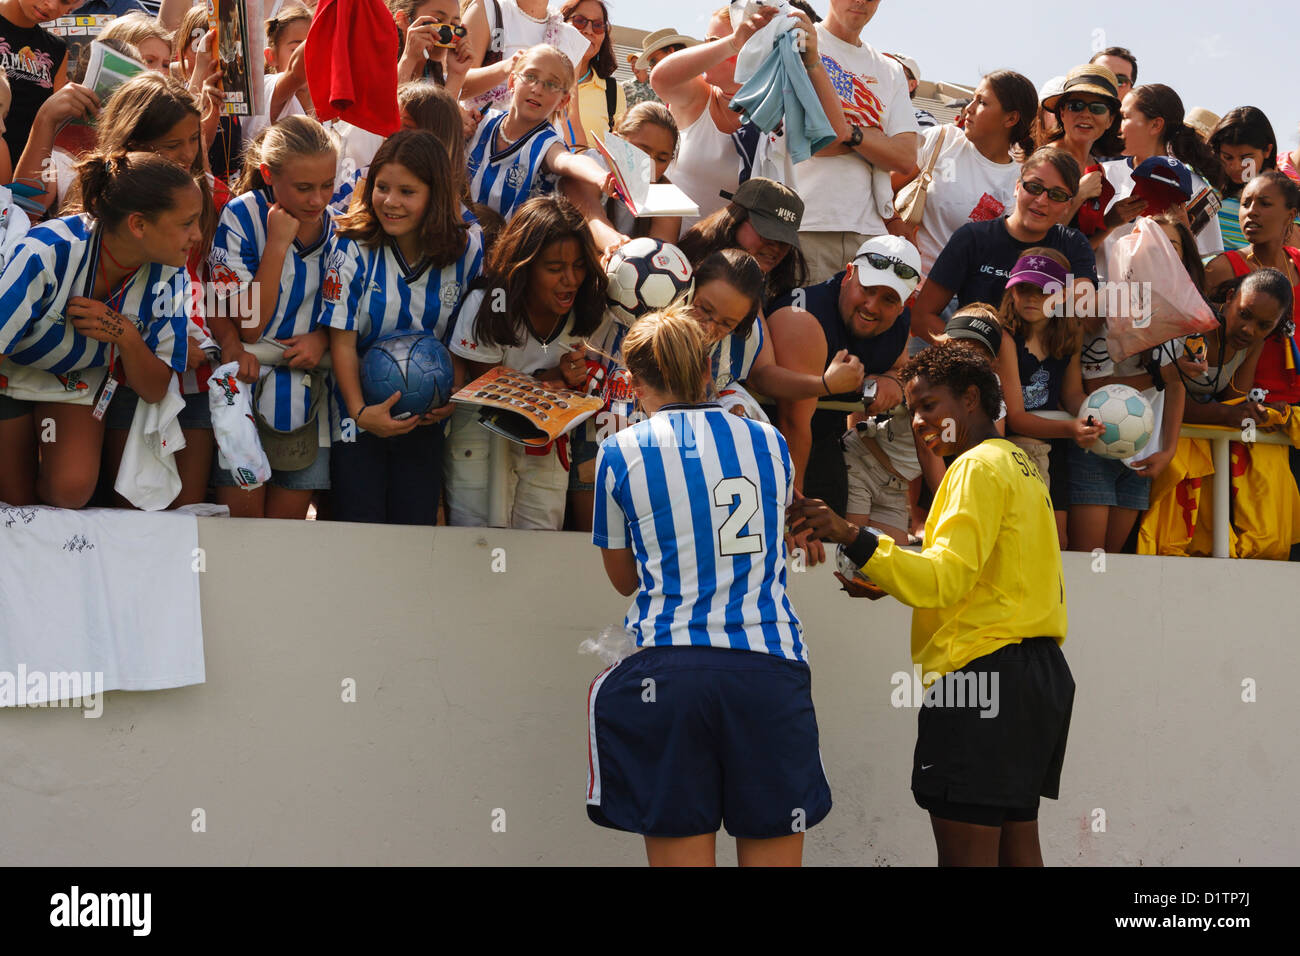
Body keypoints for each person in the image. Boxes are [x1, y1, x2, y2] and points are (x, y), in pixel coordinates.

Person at [789, 340, 1075, 867]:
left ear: (970, 399)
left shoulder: (973, 468)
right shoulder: (1020, 462)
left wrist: (853, 535)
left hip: (982, 677)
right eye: (913, 409)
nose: (918, 421)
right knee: (1019, 848)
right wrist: (888, 570)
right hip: (1041, 679)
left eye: (928, 406)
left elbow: (941, 580)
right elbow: (973, 576)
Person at [586, 307, 831, 867]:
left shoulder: (619, 450)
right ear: (706, 371)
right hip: (767, 665)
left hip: (668, 673)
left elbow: (625, 580)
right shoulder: (769, 442)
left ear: (636, 381)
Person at [0, 151, 199, 508]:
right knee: (14, 501)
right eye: (187, 223)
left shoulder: (172, 275)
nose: (197, 235)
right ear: (138, 225)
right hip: (5, 373)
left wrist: (126, 336)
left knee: (70, 490)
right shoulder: (48, 251)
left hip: (71, 378)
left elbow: (155, 389)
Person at [320, 130, 484, 525]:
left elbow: (463, 339)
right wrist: (361, 412)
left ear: (436, 195)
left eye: (407, 191)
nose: (390, 201)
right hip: (356, 418)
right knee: (360, 527)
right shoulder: (351, 246)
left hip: (425, 421)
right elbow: (341, 342)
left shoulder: (467, 251)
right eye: (382, 187)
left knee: (415, 528)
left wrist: (453, 393)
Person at [446, 194, 604, 529]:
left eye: (578, 266)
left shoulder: (585, 306)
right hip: (481, 443)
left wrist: (566, 380)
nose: (571, 280)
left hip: (544, 446)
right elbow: (487, 393)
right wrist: (551, 380)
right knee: (477, 553)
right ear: (524, 265)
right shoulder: (492, 303)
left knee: (536, 556)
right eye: (555, 268)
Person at [209, 115, 337, 519]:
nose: (318, 199)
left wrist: (322, 339)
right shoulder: (241, 217)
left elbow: (350, 315)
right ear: (267, 174)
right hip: (244, 391)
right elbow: (249, 323)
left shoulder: (340, 228)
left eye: (327, 185)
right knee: (244, 530)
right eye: (304, 188)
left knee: (286, 535)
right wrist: (278, 243)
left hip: (306, 398)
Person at [766, 235, 918, 511]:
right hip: (769, 439)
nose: (871, 305)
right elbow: (792, 424)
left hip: (823, 436)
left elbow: (900, 367)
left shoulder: (900, 323)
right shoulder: (803, 319)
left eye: (888, 298)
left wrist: (892, 382)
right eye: (867, 289)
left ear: (904, 305)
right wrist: (793, 512)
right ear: (849, 274)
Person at [911, 147, 1097, 344]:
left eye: (1057, 195)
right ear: (1017, 187)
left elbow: (1087, 320)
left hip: (1042, 369)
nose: (1042, 201)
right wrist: (978, 357)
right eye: (1034, 187)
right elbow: (922, 318)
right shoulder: (973, 238)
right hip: (976, 366)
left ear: (1069, 205)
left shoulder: (1073, 244)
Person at [791, 0, 918, 284]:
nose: (861, 1)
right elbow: (805, 140)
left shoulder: (890, 69)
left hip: (870, 234)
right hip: (806, 221)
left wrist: (849, 133)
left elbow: (906, 158)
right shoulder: (800, 41)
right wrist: (874, 139)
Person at [992, 249, 1102, 545]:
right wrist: (1072, 428)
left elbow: (1072, 393)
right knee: (1022, 538)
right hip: (1013, 449)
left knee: (1058, 540)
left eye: (1043, 291)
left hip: (1053, 450)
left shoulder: (1070, 333)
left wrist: (1094, 416)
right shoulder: (1004, 337)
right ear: (1011, 290)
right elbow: (1015, 417)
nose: (1032, 298)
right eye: (1024, 289)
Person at [891, 70, 1037, 278]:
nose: (968, 108)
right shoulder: (942, 139)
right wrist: (895, 224)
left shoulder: (1019, 182)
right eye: (973, 99)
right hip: (896, 279)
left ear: (1011, 118)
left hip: (955, 302)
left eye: (982, 102)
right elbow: (883, 190)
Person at [463, 44, 612, 224]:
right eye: (530, 76)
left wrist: (600, 177)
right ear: (512, 82)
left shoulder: (547, 143)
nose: (537, 89)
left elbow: (568, 161)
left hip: (502, 248)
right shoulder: (480, 121)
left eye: (551, 84)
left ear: (563, 101)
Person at [1098, 84, 1228, 269]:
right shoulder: (1103, 173)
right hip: (1102, 295)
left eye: (1125, 117)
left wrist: (1184, 234)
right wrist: (1109, 223)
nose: (1115, 126)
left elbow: (1206, 269)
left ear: (1155, 125)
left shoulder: (1196, 189)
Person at [677, 175, 809, 305]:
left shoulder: (777, 287)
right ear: (735, 221)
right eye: (767, 233)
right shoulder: (686, 273)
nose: (775, 246)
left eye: (784, 239)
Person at [1038, 64, 1126, 244]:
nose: (1085, 114)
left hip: (1072, 272)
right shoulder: (1045, 160)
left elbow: (1081, 246)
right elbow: (1037, 236)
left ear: (1110, 120)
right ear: (1062, 113)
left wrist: (1112, 221)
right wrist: (1079, 195)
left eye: (1097, 108)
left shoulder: (1095, 166)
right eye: (1076, 106)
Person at [0, 0, 77, 168]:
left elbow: (55, 124)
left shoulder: (57, 48)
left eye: (66, 3)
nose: (52, 6)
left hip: (28, 178)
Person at [1208, 107, 1283, 252]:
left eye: (1246, 159)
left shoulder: (1285, 196)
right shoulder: (1204, 188)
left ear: (1267, 150)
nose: (1236, 167)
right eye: (1227, 157)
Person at [559, 0, 623, 147]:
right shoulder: (537, 75)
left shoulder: (613, 91)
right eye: (579, 21)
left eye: (598, 25)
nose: (589, 30)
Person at [885, 52, 935, 129]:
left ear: (911, 85)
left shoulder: (923, 118)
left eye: (895, 70)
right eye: (884, 67)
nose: (885, 73)